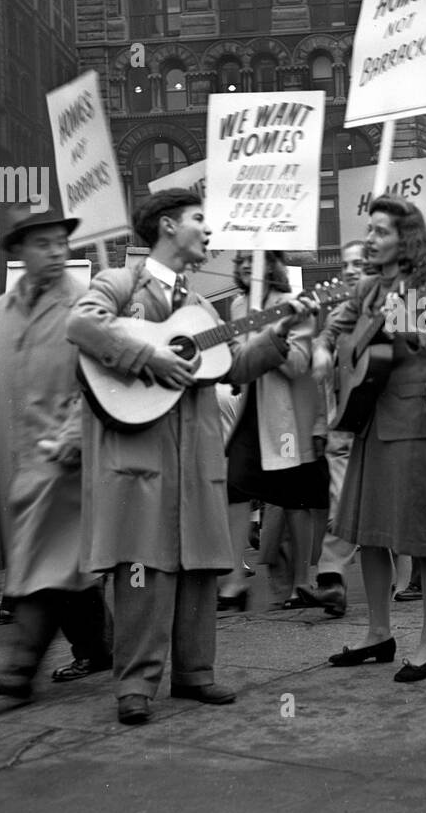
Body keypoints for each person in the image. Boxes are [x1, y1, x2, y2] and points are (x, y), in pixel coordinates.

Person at [67, 189, 314, 724]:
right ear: (166, 225)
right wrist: (148, 354)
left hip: (195, 457)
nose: (209, 230)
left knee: (200, 564)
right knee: (143, 569)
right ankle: (134, 684)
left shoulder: (200, 307)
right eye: (199, 219)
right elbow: (82, 325)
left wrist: (277, 333)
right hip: (143, 455)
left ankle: (195, 672)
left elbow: (232, 368)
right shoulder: (119, 283)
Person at [311, 196, 426, 682]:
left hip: (413, 421)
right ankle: (379, 633)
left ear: (404, 238)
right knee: (370, 533)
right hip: (370, 420)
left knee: (424, 539)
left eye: (379, 231)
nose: (369, 239)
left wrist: (409, 319)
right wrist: (323, 348)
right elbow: (338, 326)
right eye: (368, 230)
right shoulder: (369, 285)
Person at [0, 209, 112, 702]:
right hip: (19, 463)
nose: (56, 252)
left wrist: (76, 436)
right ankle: (98, 647)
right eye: (43, 244)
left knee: (45, 566)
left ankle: (21, 669)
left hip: (67, 461)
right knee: (61, 566)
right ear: (18, 252)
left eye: (60, 242)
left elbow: (96, 380)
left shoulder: (84, 305)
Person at [224, 250, 329, 609]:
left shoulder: (293, 304)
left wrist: (274, 333)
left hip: (284, 419)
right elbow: (239, 362)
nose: (242, 268)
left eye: (250, 261)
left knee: (294, 499)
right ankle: (235, 580)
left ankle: (304, 582)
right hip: (250, 414)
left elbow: (299, 364)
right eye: (238, 262)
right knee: (233, 483)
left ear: (270, 266)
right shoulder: (238, 307)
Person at [298, 239, 366, 615]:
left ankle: (417, 586)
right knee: (341, 506)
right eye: (346, 264)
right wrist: (323, 424)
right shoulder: (338, 314)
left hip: (386, 426)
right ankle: (331, 583)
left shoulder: (401, 303)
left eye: (360, 262)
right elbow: (324, 376)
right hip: (344, 428)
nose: (351, 269)